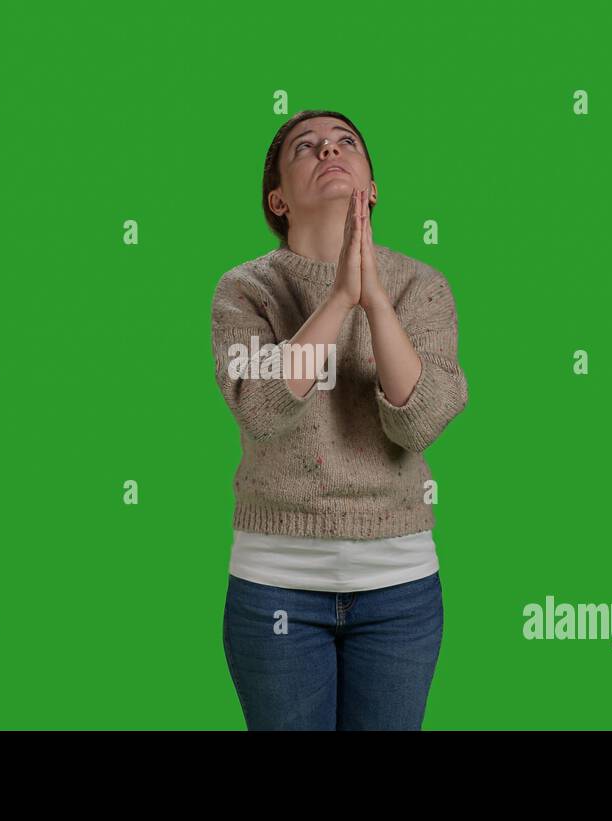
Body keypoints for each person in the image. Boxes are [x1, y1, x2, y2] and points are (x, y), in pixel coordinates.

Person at [211, 110, 468, 730]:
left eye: (346, 143)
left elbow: (421, 421)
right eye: (307, 147)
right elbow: (261, 408)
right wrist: (337, 300)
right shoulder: (245, 291)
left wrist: (374, 299)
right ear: (278, 198)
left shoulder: (422, 287)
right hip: (276, 586)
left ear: (371, 187)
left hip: (399, 588)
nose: (330, 150)